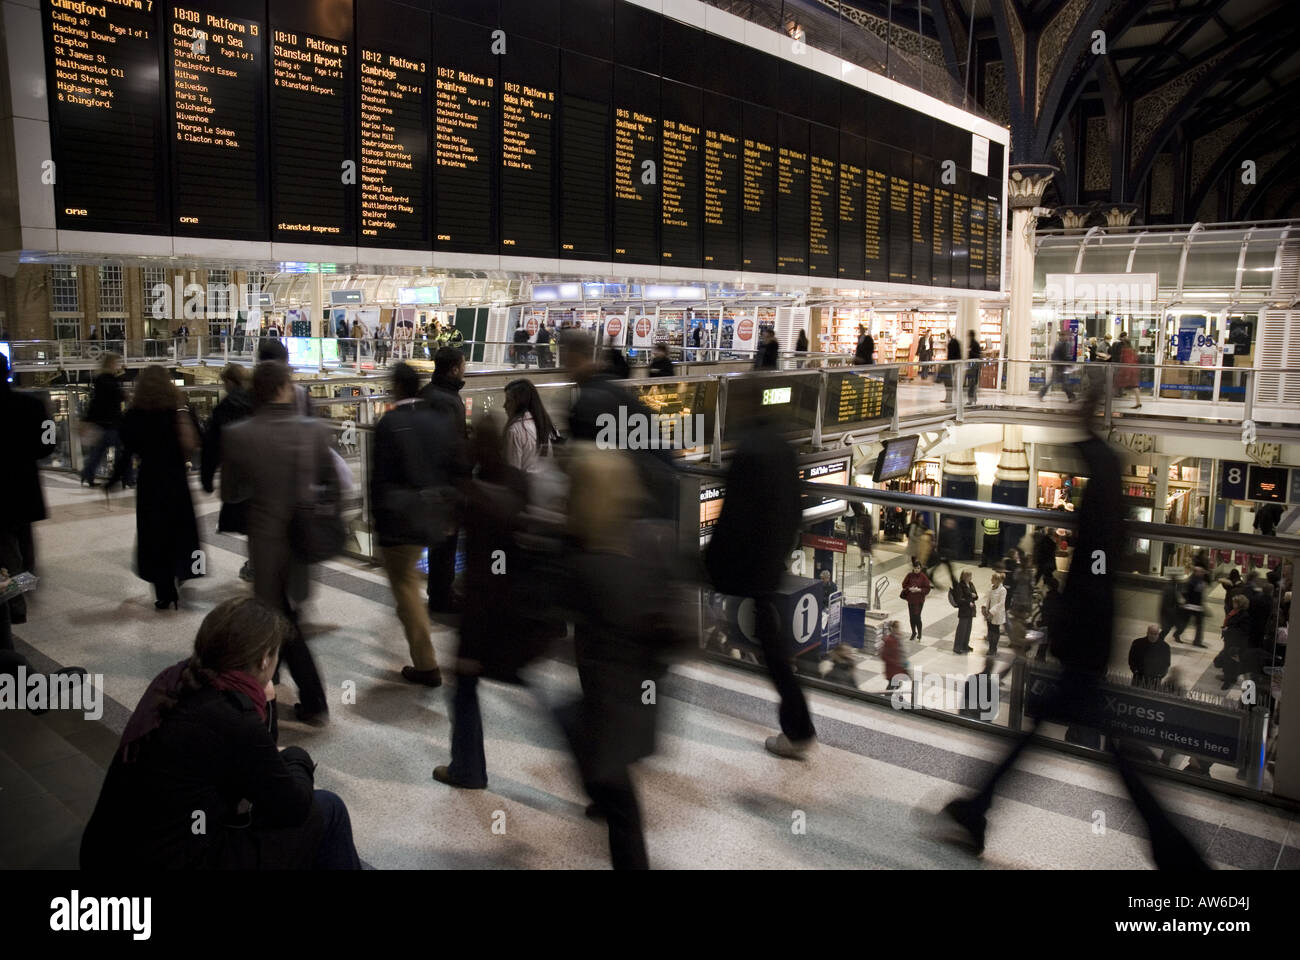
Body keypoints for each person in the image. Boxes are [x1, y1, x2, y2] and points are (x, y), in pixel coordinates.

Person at [941, 387, 1206, 869]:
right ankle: (1172, 849)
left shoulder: (1102, 486)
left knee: (1066, 740)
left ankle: (1173, 849)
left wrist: (1068, 617)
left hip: (1085, 634)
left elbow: (1096, 564)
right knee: (1088, 743)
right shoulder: (1105, 486)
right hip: (1089, 632)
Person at [80, 597, 361, 870]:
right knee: (328, 809)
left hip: (107, 852)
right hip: (173, 860)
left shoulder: (177, 679)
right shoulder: (232, 716)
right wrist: (297, 757)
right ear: (265, 661)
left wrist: (268, 704)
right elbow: (293, 806)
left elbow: (258, 762)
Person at [222, 361, 338, 726]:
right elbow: (332, 483)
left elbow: (232, 492)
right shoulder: (315, 430)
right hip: (304, 540)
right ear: (285, 388)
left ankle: (304, 696)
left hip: (266, 541)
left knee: (277, 618)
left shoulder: (240, 435)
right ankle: (273, 684)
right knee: (286, 615)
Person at [705, 413, 813, 760]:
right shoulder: (781, 446)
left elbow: (731, 516)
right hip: (767, 563)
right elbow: (794, 508)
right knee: (772, 647)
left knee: (773, 649)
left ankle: (799, 729)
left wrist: (713, 565)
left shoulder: (751, 449)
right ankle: (798, 728)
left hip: (752, 565)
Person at [372, 363, 466, 687]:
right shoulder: (439, 420)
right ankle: (417, 634)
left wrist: (377, 521)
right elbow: (456, 467)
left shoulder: (389, 423)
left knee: (406, 590)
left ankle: (426, 665)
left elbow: (379, 479)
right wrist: (452, 512)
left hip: (399, 520)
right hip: (433, 515)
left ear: (397, 387)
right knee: (407, 586)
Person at [120, 366, 203, 610]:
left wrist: (116, 478)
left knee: (154, 534)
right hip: (176, 480)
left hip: (150, 481)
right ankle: (183, 572)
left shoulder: (135, 414)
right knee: (180, 530)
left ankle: (163, 590)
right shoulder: (178, 410)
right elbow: (199, 439)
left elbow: (126, 447)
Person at [0, 353, 57, 630]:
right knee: (24, 545)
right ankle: (23, 587)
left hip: (1, 491)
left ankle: (16, 605)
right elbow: (48, 443)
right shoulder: (31, 405)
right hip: (24, 485)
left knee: (8, 550)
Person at [420, 347, 469, 615]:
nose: (465, 368)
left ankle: (437, 593)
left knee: (437, 541)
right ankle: (441, 596)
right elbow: (454, 446)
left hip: (426, 478)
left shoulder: (426, 393)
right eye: (463, 364)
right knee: (446, 543)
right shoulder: (450, 401)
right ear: (453, 369)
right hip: (446, 483)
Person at [201, 363, 256, 582]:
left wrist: (207, 477)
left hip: (238, 474)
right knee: (261, 521)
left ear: (230, 382)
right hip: (264, 470)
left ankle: (254, 565)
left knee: (249, 522)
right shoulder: (259, 401)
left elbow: (212, 446)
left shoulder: (224, 408)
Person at [80, 353, 132, 488]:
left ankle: (87, 474)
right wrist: (124, 395)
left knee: (99, 451)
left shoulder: (102, 380)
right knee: (123, 451)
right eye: (115, 363)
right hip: (111, 423)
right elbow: (113, 397)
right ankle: (128, 478)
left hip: (103, 423)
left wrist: (87, 420)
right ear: (110, 364)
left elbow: (95, 403)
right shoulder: (108, 380)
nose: (117, 366)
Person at [503, 377, 556, 475]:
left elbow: (513, 472)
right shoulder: (544, 423)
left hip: (525, 486)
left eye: (508, 401)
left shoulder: (515, 430)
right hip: (545, 483)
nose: (504, 405)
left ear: (520, 403)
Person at [1173, 565, 1207, 647]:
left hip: (1197, 607)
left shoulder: (1200, 580)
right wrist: (1188, 600)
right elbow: (1184, 592)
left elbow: (1199, 594)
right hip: (1190, 606)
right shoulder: (1191, 581)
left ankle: (1197, 641)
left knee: (1198, 624)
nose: (1202, 573)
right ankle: (1177, 634)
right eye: (1200, 571)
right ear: (1196, 572)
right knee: (1185, 622)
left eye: (1202, 571)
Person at [1039, 331, 1076, 401]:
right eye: (1066, 336)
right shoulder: (1065, 344)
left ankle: (1041, 393)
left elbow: (1055, 355)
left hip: (1058, 366)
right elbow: (1066, 356)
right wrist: (1071, 364)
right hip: (1062, 366)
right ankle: (1071, 397)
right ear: (1064, 336)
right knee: (1064, 383)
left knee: (1056, 382)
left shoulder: (1058, 343)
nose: (1067, 337)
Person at [901, 559, 931, 641]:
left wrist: (919, 590)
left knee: (917, 617)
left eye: (918, 568)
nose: (916, 570)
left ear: (920, 568)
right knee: (911, 617)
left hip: (919, 600)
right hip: (911, 600)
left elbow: (927, 588)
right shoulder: (909, 575)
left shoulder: (923, 577)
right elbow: (904, 585)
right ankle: (913, 632)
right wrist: (909, 588)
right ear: (913, 568)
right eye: (915, 568)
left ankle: (920, 633)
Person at [879, 620, 910, 690]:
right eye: (898, 628)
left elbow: (902, 652)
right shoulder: (889, 640)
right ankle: (887, 698)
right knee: (893, 686)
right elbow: (883, 655)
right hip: (893, 670)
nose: (900, 629)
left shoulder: (898, 638)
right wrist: (896, 662)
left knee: (895, 686)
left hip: (898, 669)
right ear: (893, 629)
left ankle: (890, 697)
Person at [952, 570, 978, 654]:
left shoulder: (971, 584)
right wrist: (968, 601)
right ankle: (957, 647)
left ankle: (965, 645)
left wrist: (975, 596)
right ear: (965, 577)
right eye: (969, 576)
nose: (971, 577)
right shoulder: (960, 586)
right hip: (964, 610)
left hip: (971, 610)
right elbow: (959, 599)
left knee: (968, 629)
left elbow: (976, 595)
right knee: (961, 630)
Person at [982, 571, 1007, 655]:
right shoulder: (991, 587)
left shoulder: (1003, 590)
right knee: (990, 631)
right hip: (988, 613)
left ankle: (994, 648)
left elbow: (1001, 603)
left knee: (995, 631)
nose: (991, 580)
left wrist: (992, 611)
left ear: (997, 580)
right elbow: (987, 598)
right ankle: (990, 648)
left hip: (996, 614)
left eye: (992, 579)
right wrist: (984, 606)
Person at [1115, 332, 1141, 408]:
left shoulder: (1125, 350)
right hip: (1134, 369)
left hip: (1127, 370)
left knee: (1115, 383)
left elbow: (1125, 361)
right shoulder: (1133, 350)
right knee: (1135, 386)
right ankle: (1138, 402)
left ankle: (1110, 402)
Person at [1157, 572, 1183, 642]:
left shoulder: (1170, 588)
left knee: (1171, 628)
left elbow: (1174, 600)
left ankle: (1174, 636)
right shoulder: (1170, 589)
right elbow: (1168, 603)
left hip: (1169, 612)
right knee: (1169, 628)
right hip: (1169, 613)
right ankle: (1159, 640)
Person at [939, 332, 961, 400]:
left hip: (951, 363)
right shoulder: (954, 341)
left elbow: (953, 353)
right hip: (951, 363)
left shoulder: (953, 342)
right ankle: (948, 397)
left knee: (948, 381)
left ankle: (949, 398)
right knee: (948, 381)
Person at [965, 331, 982, 403]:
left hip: (974, 366)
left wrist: (970, 351)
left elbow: (977, 355)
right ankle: (973, 399)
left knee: (972, 383)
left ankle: (971, 400)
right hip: (973, 365)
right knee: (972, 384)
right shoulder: (973, 343)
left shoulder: (974, 344)